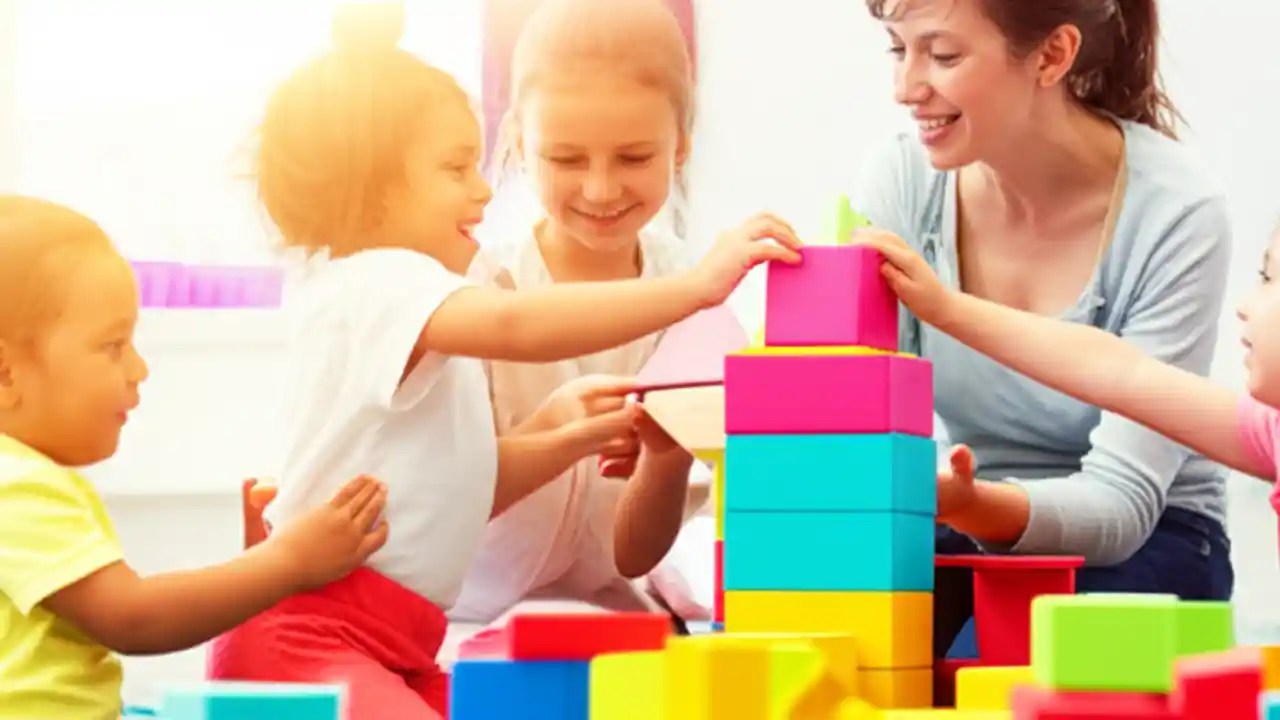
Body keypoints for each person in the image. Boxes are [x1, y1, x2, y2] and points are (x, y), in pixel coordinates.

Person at [204, 5, 800, 719]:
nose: (484, 189)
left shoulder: (409, 293)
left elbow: (461, 483)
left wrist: (581, 436)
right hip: (363, 628)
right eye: (458, 167)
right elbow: (517, 325)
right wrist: (697, 287)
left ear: (680, 145)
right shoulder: (407, 291)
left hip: (409, 634)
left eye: (633, 156)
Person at [850, 0, 1233, 656]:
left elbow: (1122, 508)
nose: (905, 89)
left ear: (1053, 55)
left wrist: (968, 504)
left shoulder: (1176, 213)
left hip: (1152, 537)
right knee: (847, 659)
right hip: (956, 520)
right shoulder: (904, 181)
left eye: (943, 56)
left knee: (986, 675)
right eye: (897, 49)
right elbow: (861, 408)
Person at [0, 195, 389, 720]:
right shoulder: (14, 485)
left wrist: (262, 561)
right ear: (6, 375)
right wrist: (288, 563)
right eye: (113, 346)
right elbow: (134, 618)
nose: (139, 369)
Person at [447, 0, 714, 641]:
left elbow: (638, 558)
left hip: (625, 632)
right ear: (515, 137)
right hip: (465, 631)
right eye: (567, 159)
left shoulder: (692, 295)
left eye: (633, 157)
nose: (600, 190)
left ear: (679, 143)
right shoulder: (480, 290)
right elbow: (448, 499)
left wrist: (664, 459)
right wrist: (559, 428)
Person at [858, 223, 1279, 585]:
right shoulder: (1270, 432)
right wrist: (945, 308)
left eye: (1267, 279)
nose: (1244, 307)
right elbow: (1118, 371)